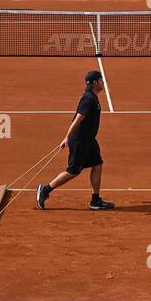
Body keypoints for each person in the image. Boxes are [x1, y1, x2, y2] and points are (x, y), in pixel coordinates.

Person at [36, 70, 115, 211]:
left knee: (97, 164)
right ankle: (45, 189)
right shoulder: (88, 99)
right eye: (101, 80)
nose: (103, 83)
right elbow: (77, 119)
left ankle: (95, 200)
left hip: (89, 140)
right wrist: (67, 137)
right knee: (73, 171)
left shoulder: (92, 97)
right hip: (80, 140)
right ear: (95, 82)